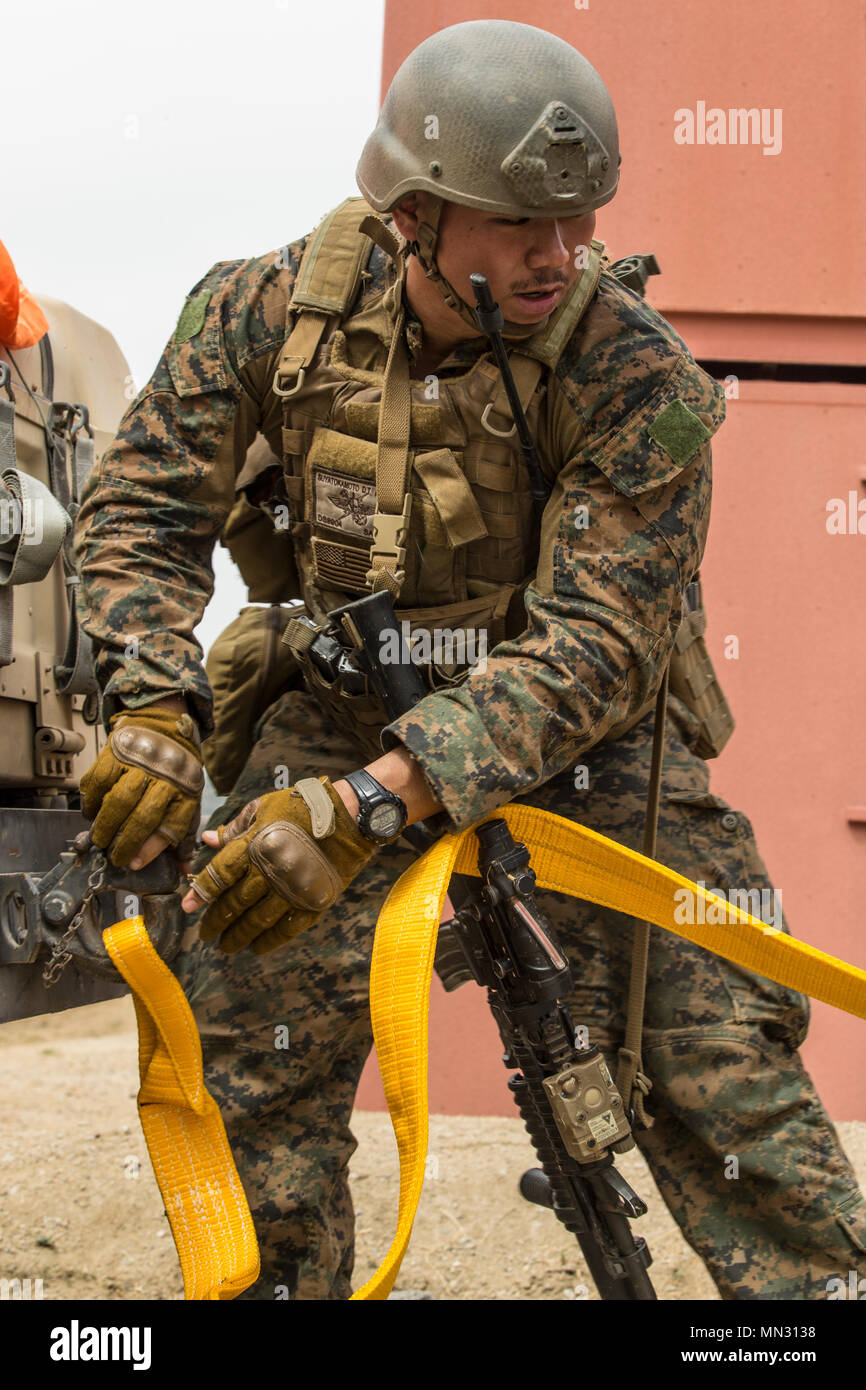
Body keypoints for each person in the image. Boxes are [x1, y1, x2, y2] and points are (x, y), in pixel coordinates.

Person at [74, 19, 866, 1300]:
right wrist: (154, 702)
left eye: (577, 221)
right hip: (333, 716)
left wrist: (376, 803)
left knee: (726, 1076)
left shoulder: (641, 379)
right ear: (413, 212)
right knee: (247, 1071)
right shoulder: (259, 310)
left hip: (590, 762)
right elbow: (141, 509)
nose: (557, 255)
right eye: (517, 225)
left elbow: (594, 649)